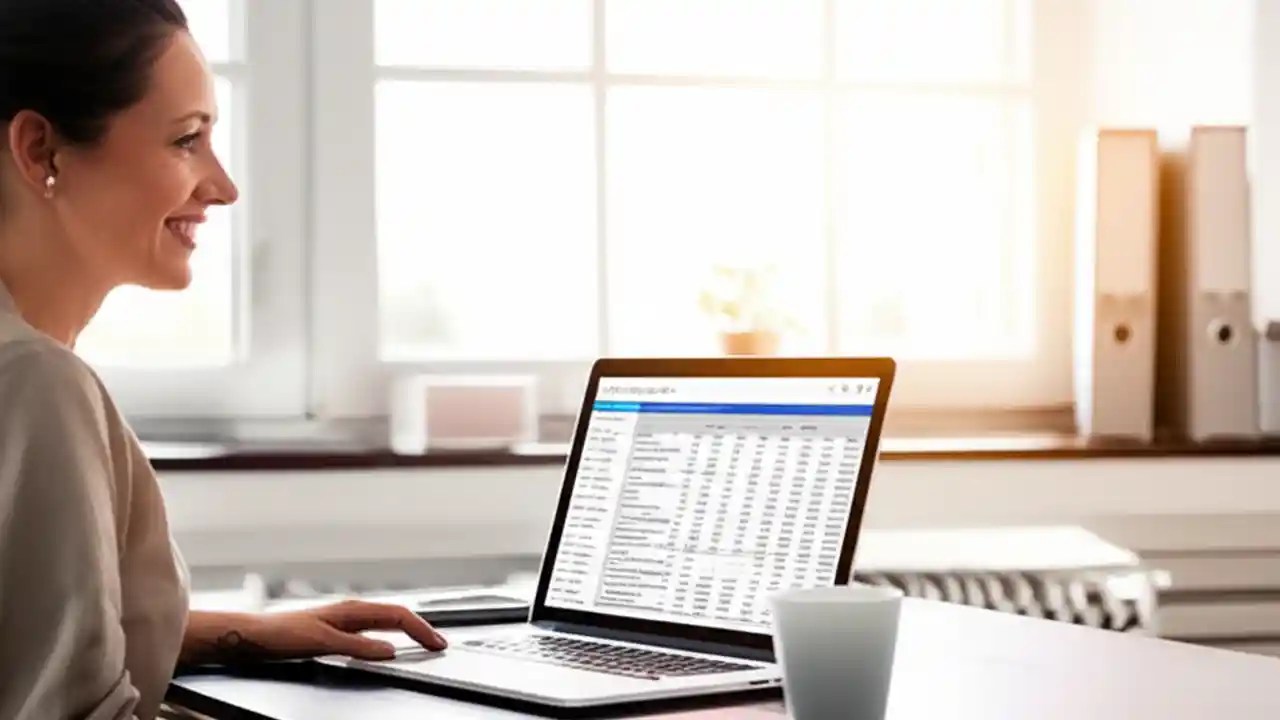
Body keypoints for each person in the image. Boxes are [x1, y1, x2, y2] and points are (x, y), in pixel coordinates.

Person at [0, 2, 446, 718]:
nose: (223, 185)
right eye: (186, 140)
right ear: (41, 150)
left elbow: (19, 639)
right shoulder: (35, 382)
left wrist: (239, 634)